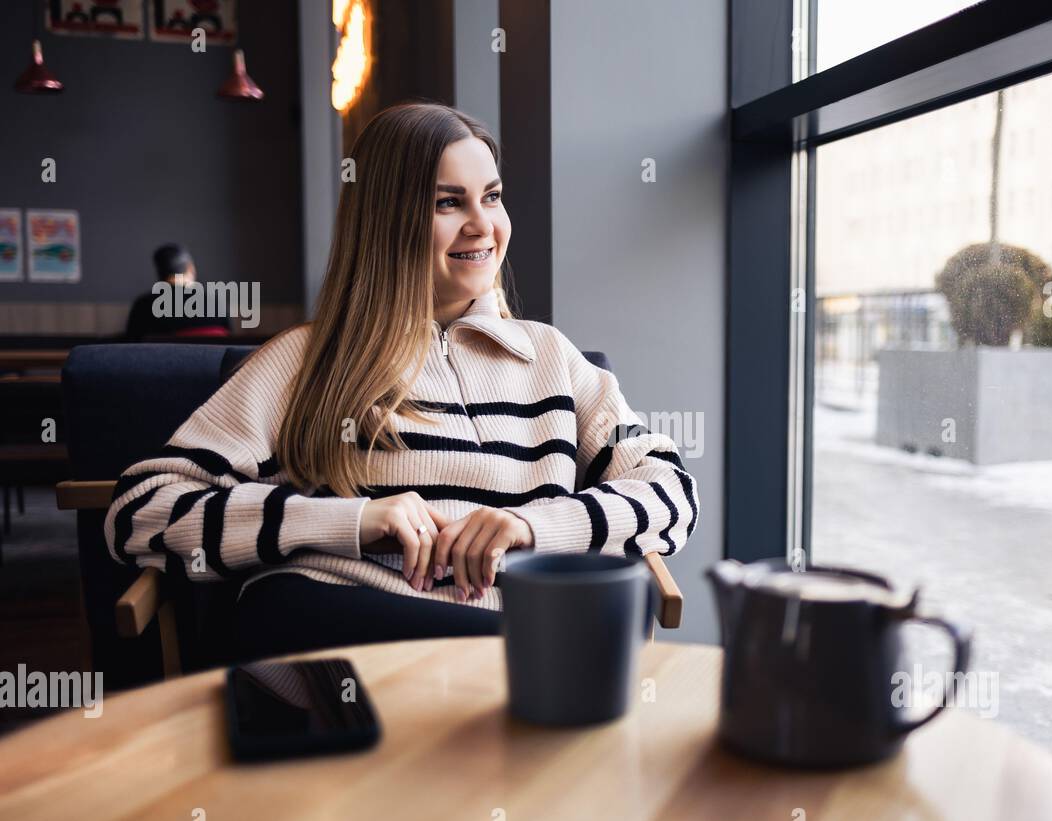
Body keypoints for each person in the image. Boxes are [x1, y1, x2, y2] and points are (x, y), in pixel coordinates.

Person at [103, 103, 699, 659]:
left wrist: (533, 526)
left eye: (490, 196)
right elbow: (140, 513)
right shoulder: (305, 360)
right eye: (448, 203)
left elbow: (671, 494)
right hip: (338, 639)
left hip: (504, 646)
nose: (481, 225)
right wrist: (352, 521)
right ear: (386, 220)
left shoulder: (552, 357)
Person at [122, 243, 231, 341]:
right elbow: (230, 342)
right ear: (190, 268)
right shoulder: (215, 303)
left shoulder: (142, 306)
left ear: (159, 272)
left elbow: (130, 346)